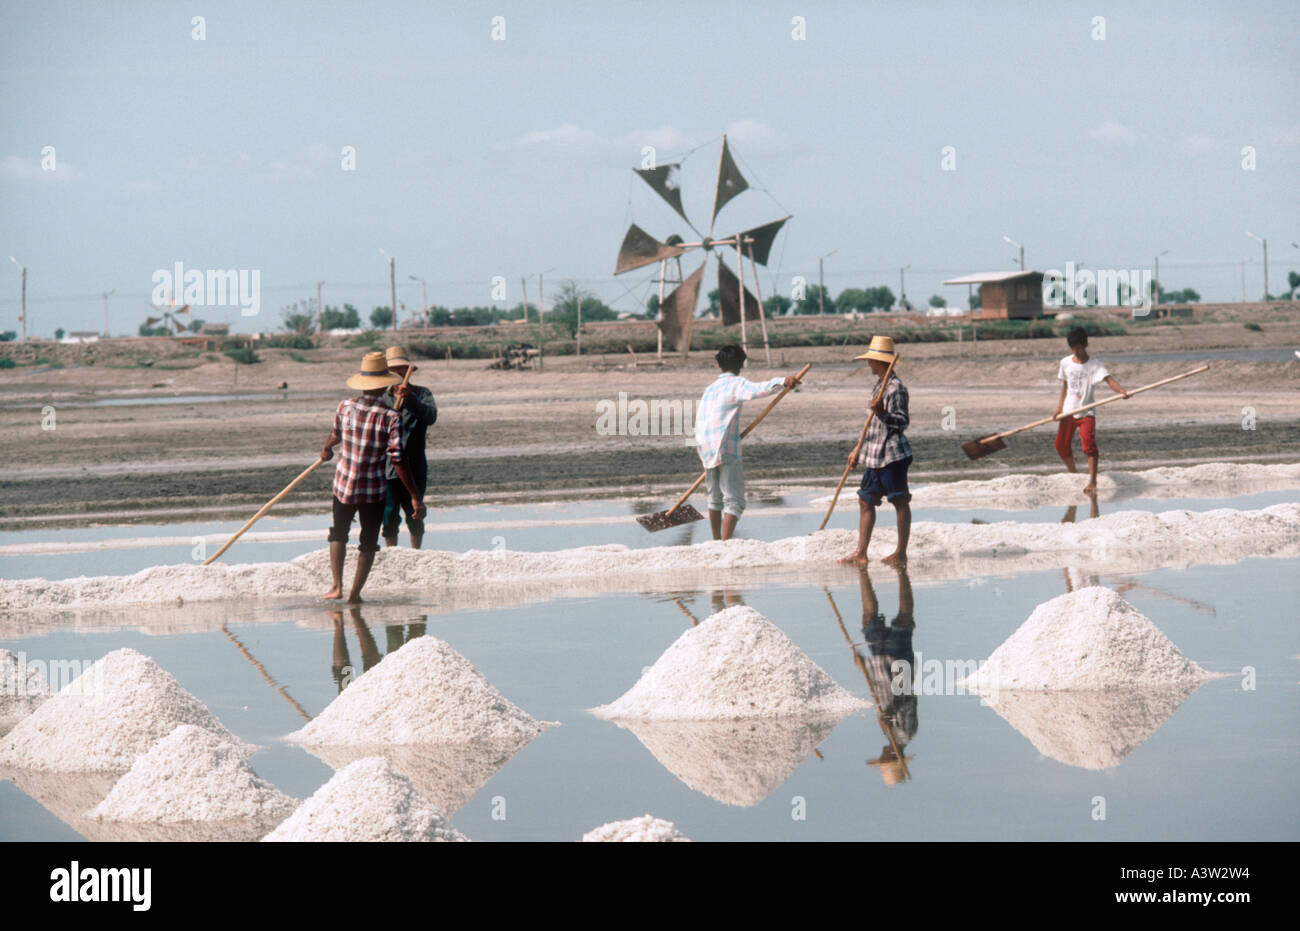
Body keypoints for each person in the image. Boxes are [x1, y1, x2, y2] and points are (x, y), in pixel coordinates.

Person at [320, 351, 425, 603]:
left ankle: (337, 586)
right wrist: (414, 496)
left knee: (338, 533)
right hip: (372, 491)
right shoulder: (391, 417)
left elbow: (334, 435)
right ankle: (354, 594)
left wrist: (326, 448)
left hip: (344, 485)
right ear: (383, 384)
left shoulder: (345, 406)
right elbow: (398, 459)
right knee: (368, 541)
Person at [693, 344, 798, 541]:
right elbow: (758, 389)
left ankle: (717, 541)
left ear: (718, 365)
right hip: (725, 446)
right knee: (734, 500)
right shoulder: (736, 384)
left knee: (714, 498)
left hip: (705, 446)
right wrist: (784, 381)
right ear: (741, 364)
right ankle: (724, 543)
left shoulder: (710, 389)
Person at [839, 336, 911, 566]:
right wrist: (857, 451)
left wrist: (882, 413)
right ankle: (861, 552)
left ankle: (900, 552)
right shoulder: (879, 385)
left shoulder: (896, 388)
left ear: (879, 362)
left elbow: (901, 423)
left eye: (871, 361)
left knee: (899, 501)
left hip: (892, 456)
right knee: (865, 501)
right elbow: (872, 426)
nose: (869, 364)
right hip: (874, 455)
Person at [1055, 326, 1130, 494]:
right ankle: (1073, 474)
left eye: (1081, 347)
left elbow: (1109, 380)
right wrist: (1059, 408)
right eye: (1075, 348)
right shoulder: (1065, 362)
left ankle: (1092, 481)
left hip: (1086, 412)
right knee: (1061, 445)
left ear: (1086, 345)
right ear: (1071, 348)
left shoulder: (1094, 365)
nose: (1078, 351)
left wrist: (1121, 391)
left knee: (1089, 445)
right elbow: (1065, 385)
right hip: (1068, 411)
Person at [381, 345, 438, 549]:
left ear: (408, 371)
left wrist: (410, 400)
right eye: (393, 370)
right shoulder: (381, 398)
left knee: (415, 513)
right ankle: (392, 552)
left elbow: (430, 417)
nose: (398, 373)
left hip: (414, 465)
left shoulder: (422, 394)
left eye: (402, 370)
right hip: (386, 467)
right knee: (388, 516)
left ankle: (416, 554)